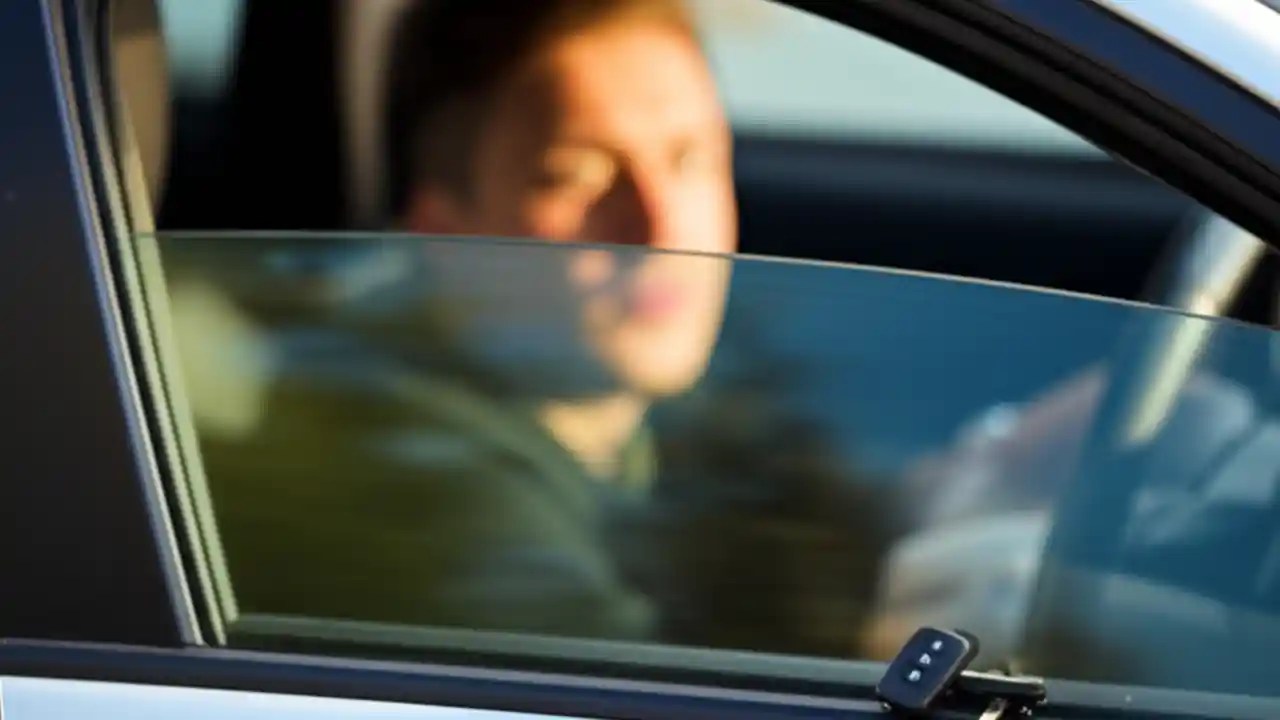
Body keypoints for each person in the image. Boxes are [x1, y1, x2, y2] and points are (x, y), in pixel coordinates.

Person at [192, 0, 879, 653]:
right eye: (573, 177)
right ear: (443, 233)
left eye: (689, 159)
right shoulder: (416, 481)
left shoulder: (656, 411)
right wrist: (905, 635)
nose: (660, 228)